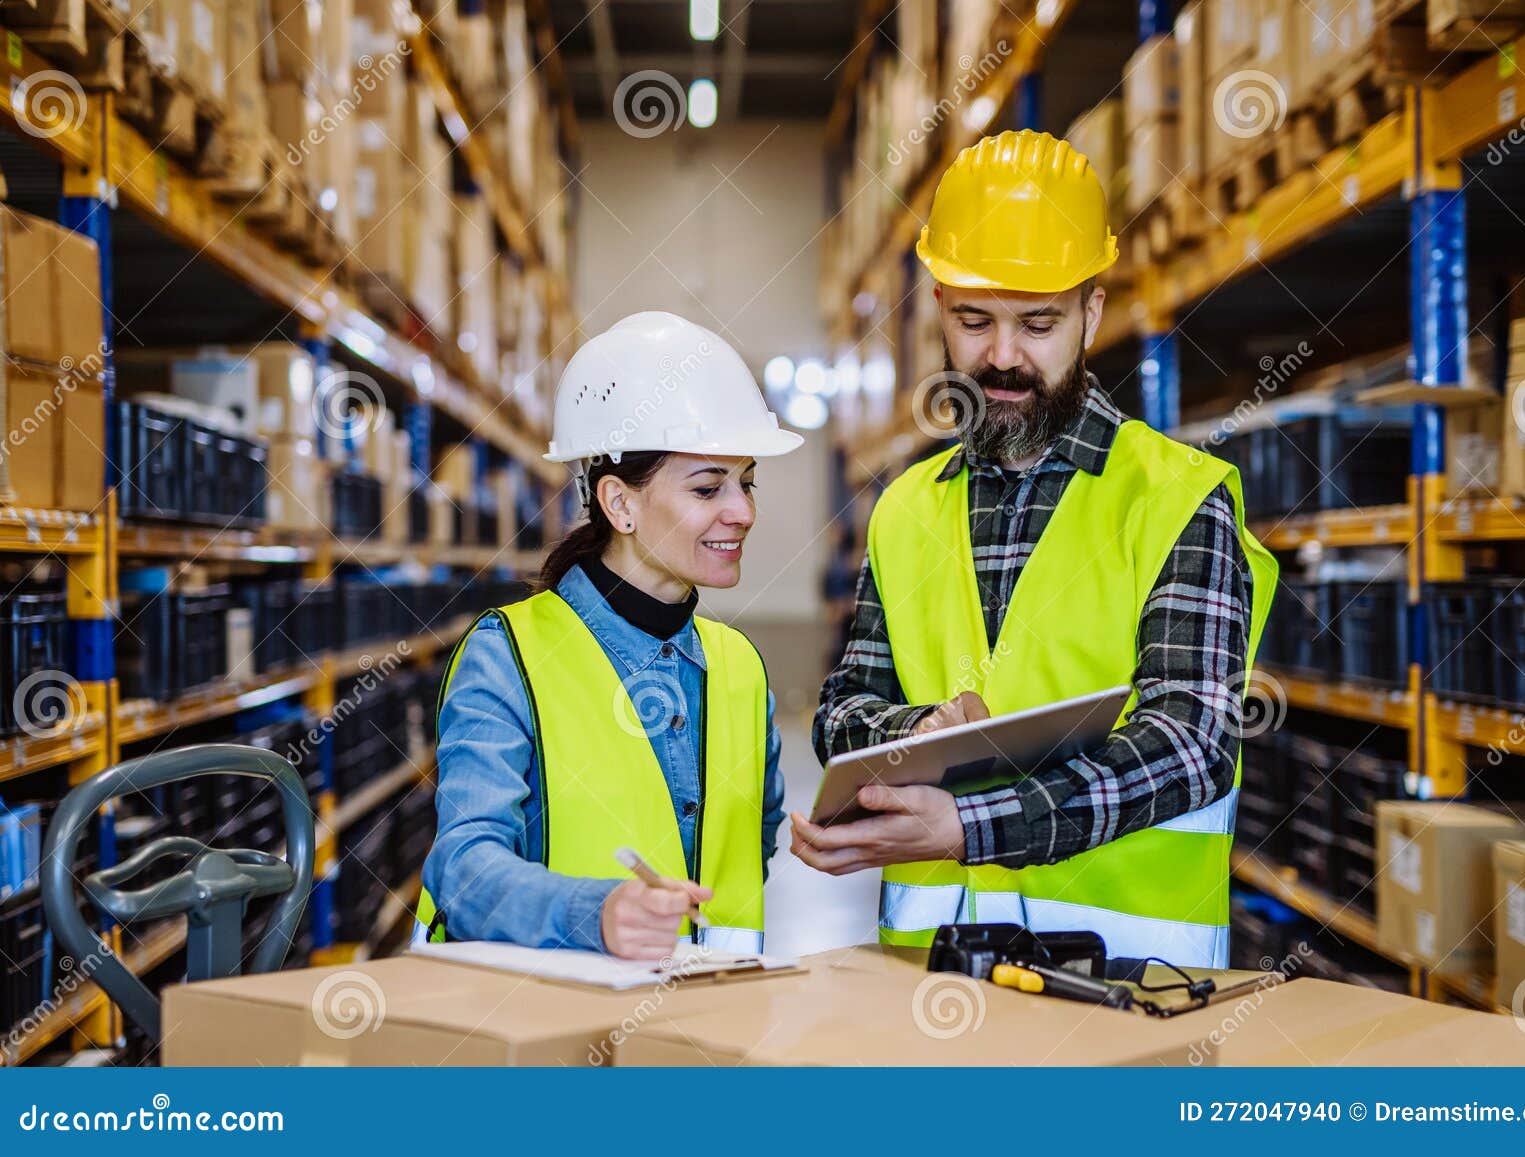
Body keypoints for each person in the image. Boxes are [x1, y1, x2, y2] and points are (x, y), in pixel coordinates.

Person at [794, 130, 1279, 967]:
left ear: (1092, 311)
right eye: (973, 321)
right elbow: (843, 711)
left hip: (1129, 992)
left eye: (1038, 323)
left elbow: (1192, 742)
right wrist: (919, 733)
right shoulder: (905, 509)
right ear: (938, 305)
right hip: (931, 986)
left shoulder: (1176, 499)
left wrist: (969, 823)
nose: (1003, 356)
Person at [417, 311, 802, 959]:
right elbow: (463, 868)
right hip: (546, 1041)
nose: (742, 512)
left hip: (704, 1036)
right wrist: (593, 914)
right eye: (709, 487)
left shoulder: (740, 667)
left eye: (747, 482)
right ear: (619, 503)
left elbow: (751, 844)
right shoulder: (507, 656)